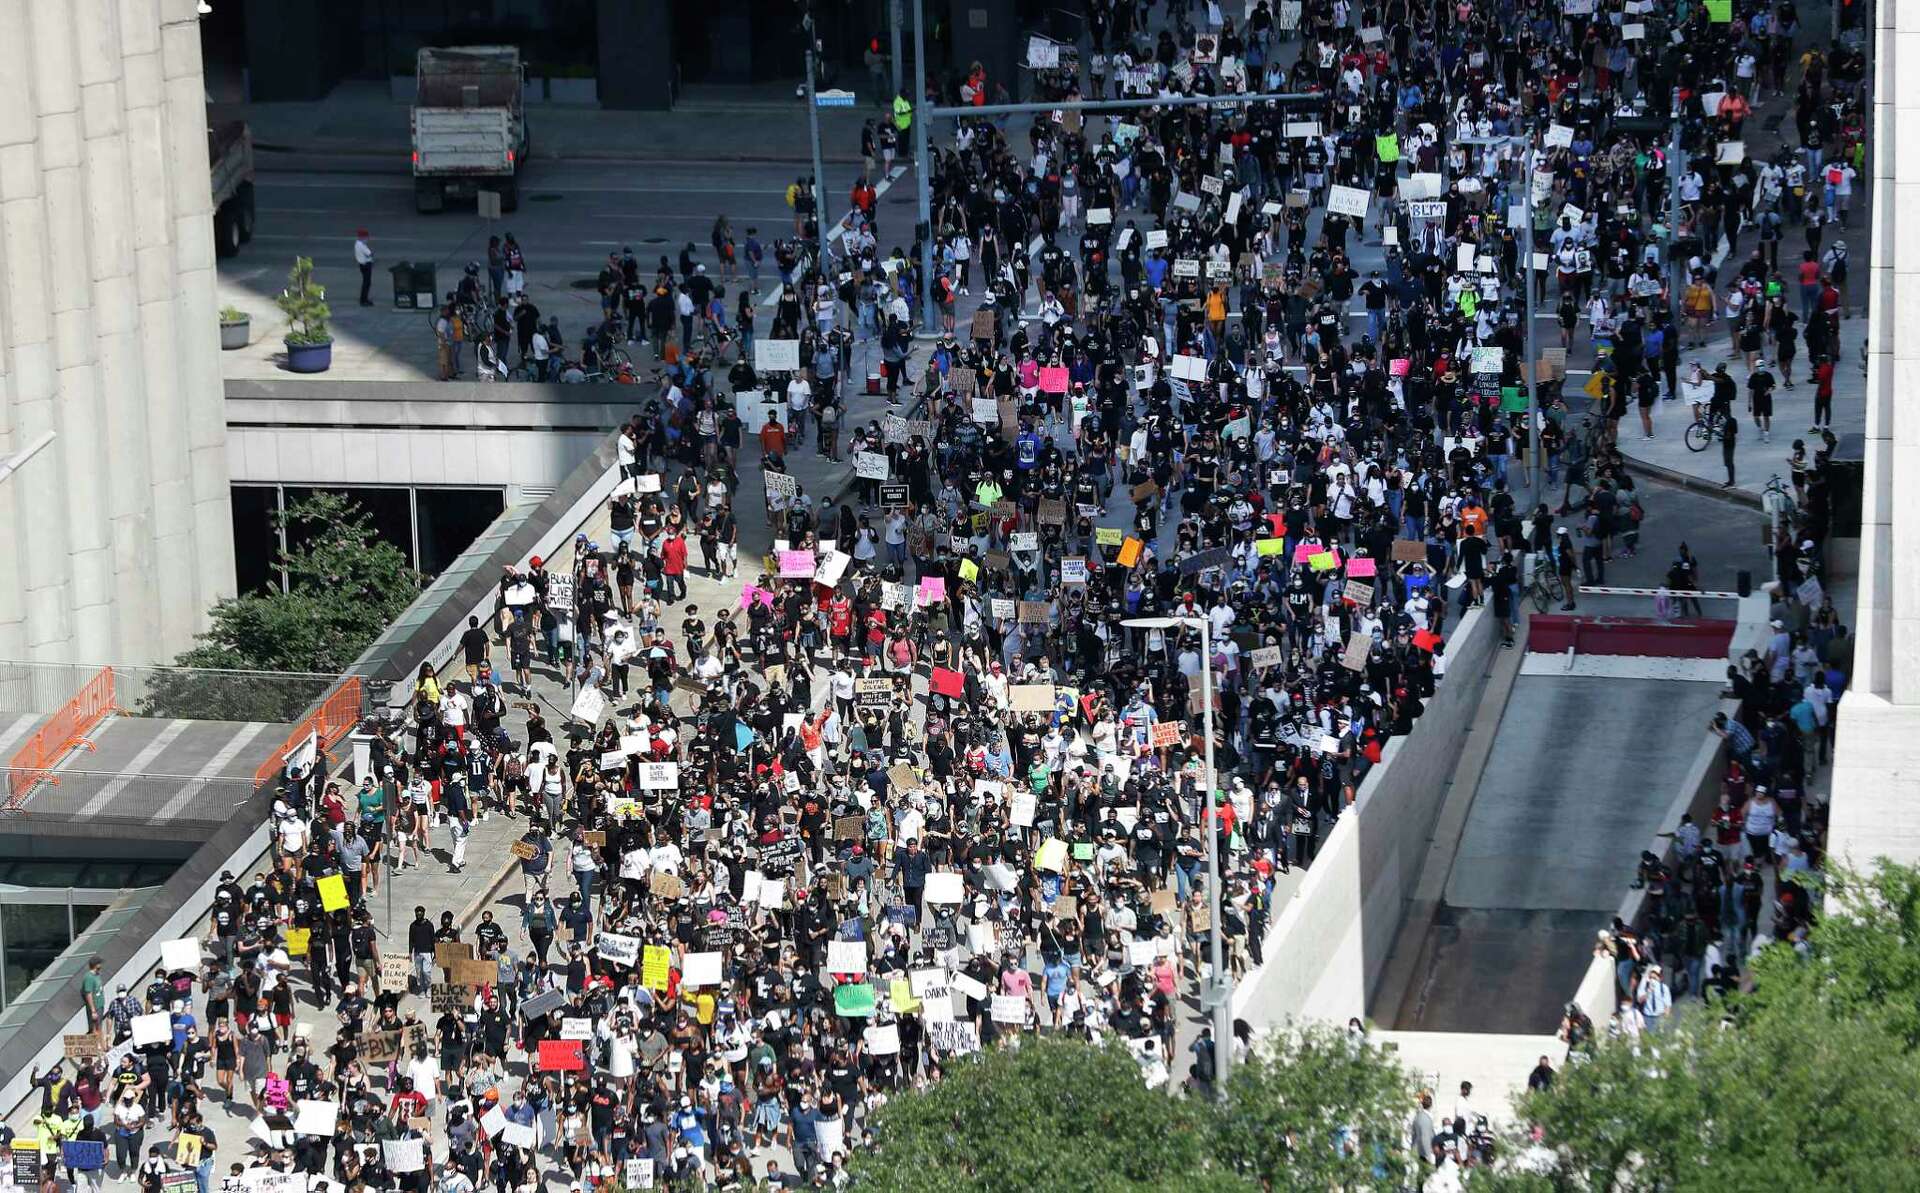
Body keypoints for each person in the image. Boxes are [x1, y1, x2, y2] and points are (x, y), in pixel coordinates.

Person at [354, 229, 374, 306]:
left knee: (366, 283)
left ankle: (364, 299)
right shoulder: (361, 245)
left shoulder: (357, 244)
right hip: (366, 265)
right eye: (366, 237)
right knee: (367, 283)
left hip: (362, 265)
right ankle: (364, 300)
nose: (367, 239)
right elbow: (369, 253)